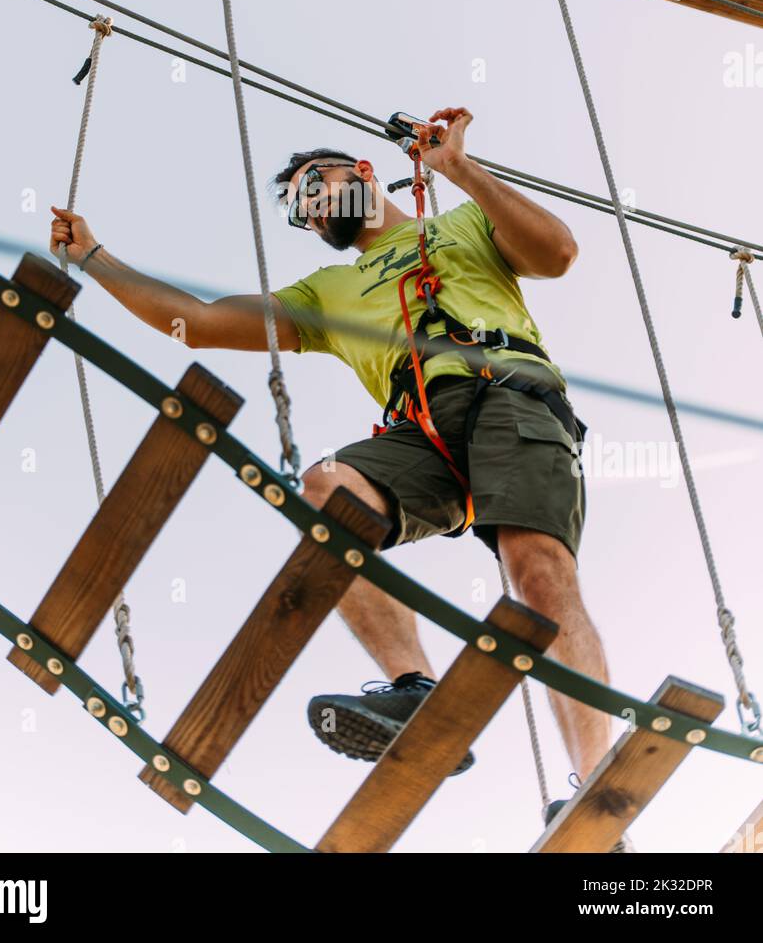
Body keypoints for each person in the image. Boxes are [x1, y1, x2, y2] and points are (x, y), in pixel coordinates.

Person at [49, 106, 631, 849]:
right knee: (325, 492)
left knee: (538, 571)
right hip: (416, 427)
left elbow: (555, 254)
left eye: (312, 186)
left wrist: (456, 169)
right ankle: (413, 690)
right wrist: (95, 256)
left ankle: (594, 784)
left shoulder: (455, 228)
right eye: (296, 205)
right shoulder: (326, 291)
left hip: (508, 393)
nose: (306, 205)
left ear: (360, 173)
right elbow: (191, 321)